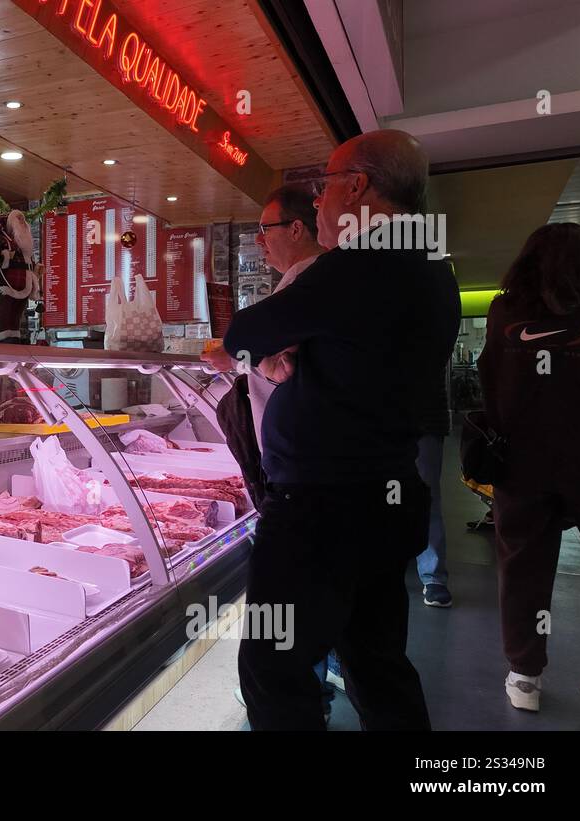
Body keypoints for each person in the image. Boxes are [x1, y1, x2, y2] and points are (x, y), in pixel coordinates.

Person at [215, 129, 460, 730]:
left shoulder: (362, 263)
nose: (319, 202)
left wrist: (252, 351)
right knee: (376, 664)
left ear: (357, 186)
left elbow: (243, 335)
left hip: (322, 510)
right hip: (384, 496)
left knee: (274, 670)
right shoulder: (431, 266)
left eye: (325, 187)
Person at [211, 185, 339, 721]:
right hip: (321, 476)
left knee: (274, 644)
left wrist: (239, 355)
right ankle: (317, 679)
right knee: (327, 617)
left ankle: (304, 693)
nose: (259, 243)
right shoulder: (312, 282)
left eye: (265, 230)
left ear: (296, 228)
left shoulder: (310, 282)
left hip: (303, 481)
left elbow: (265, 355)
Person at [477, 222, 580, 711]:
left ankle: (525, 678)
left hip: (520, 463)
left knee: (522, 568)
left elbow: (486, 382)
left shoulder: (504, 311)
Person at [416, 359, 453, 607]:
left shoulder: (433, 320)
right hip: (376, 417)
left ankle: (434, 577)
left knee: (426, 497)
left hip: (423, 418)